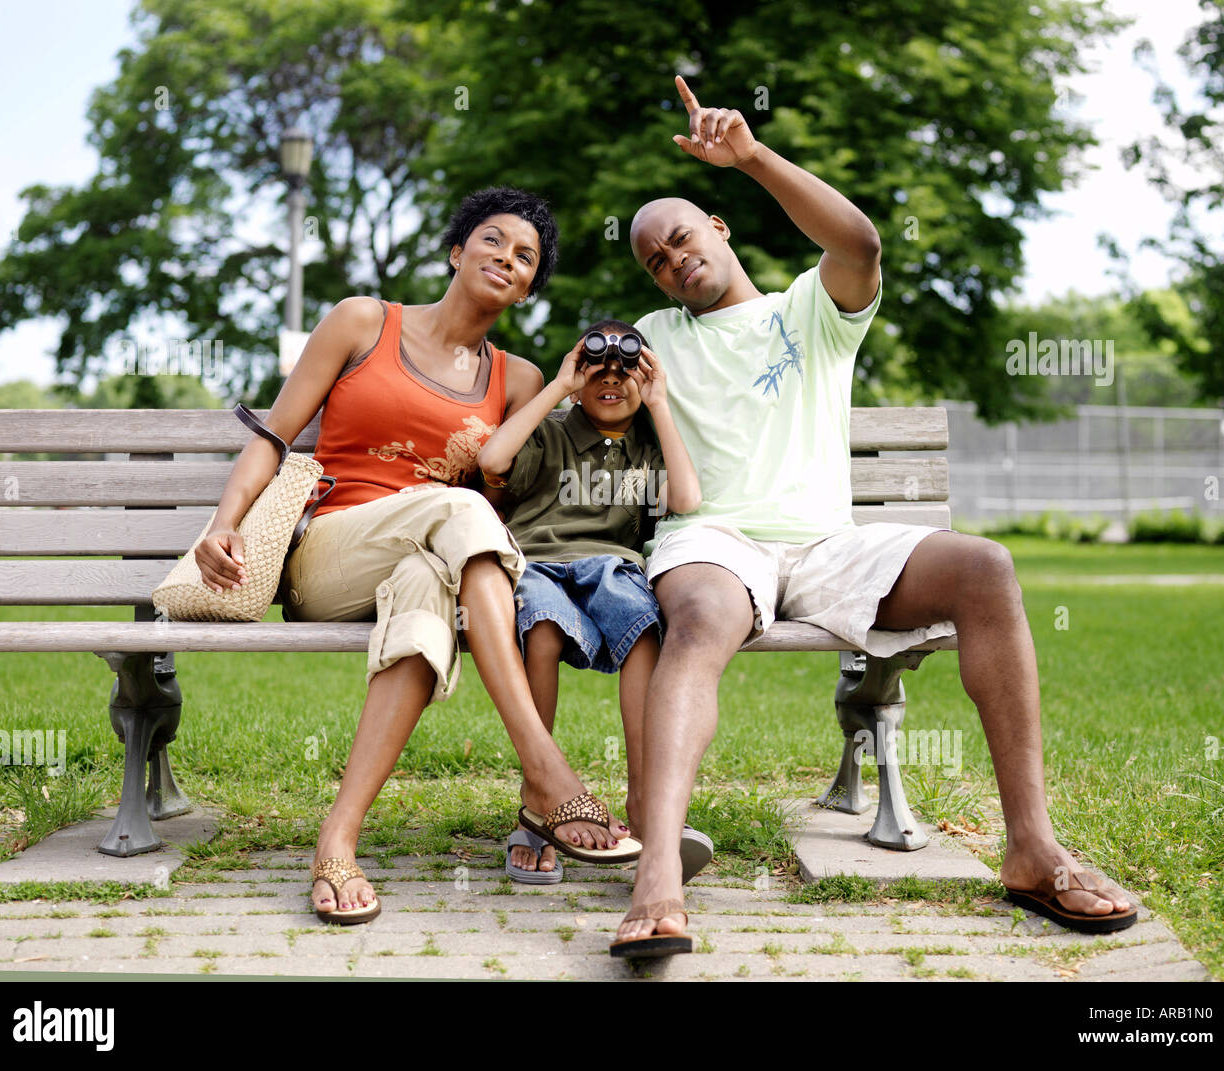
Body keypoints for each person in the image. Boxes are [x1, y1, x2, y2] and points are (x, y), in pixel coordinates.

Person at [611, 77, 1136, 957]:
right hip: (715, 539)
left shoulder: (809, 311)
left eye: (682, 238)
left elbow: (859, 238)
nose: (673, 262)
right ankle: (658, 870)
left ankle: (1032, 847)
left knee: (986, 567)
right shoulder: (654, 335)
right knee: (699, 617)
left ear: (720, 226)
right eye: (656, 261)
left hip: (826, 544)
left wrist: (750, 156)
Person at [194, 187, 637, 926]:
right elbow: (274, 438)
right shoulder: (364, 321)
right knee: (459, 508)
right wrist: (224, 522)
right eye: (493, 241)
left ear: (528, 287)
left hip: (426, 568)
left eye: (525, 256)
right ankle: (544, 770)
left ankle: (337, 839)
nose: (507, 257)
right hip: (330, 555)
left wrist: (572, 380)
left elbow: (571, 454)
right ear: (457, 250)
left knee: (429, 598)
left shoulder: (519, 381)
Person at [476, 321, 705, 882]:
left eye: (626, 372)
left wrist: (662, 403)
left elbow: (686, 498)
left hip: (612, 568)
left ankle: (643, 798)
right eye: (596, 371)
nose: (611, 380)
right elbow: (492, 459)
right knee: (544, 629)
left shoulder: (649, 446)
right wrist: (558, 387)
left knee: (643, 629)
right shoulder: (551, 433)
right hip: (536, 563)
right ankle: (540, 803)